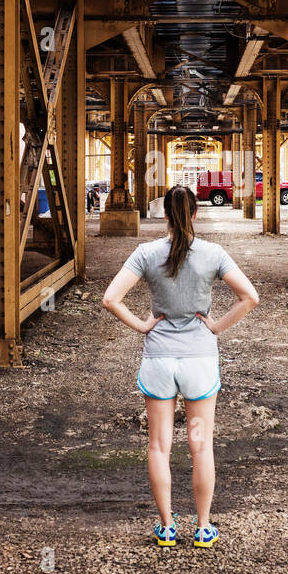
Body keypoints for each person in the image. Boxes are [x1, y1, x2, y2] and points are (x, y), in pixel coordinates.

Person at [101, 185, 258, 548]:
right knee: (201, 446)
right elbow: (250, 297)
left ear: (166, 216)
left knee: (159, 446)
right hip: (199, 361)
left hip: (159, 359)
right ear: (196, 214)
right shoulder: (213, 254)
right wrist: (217, 326)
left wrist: (142, 325)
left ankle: (167, 528)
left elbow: (111, 299)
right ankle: (203, 528)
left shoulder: (146, 253)